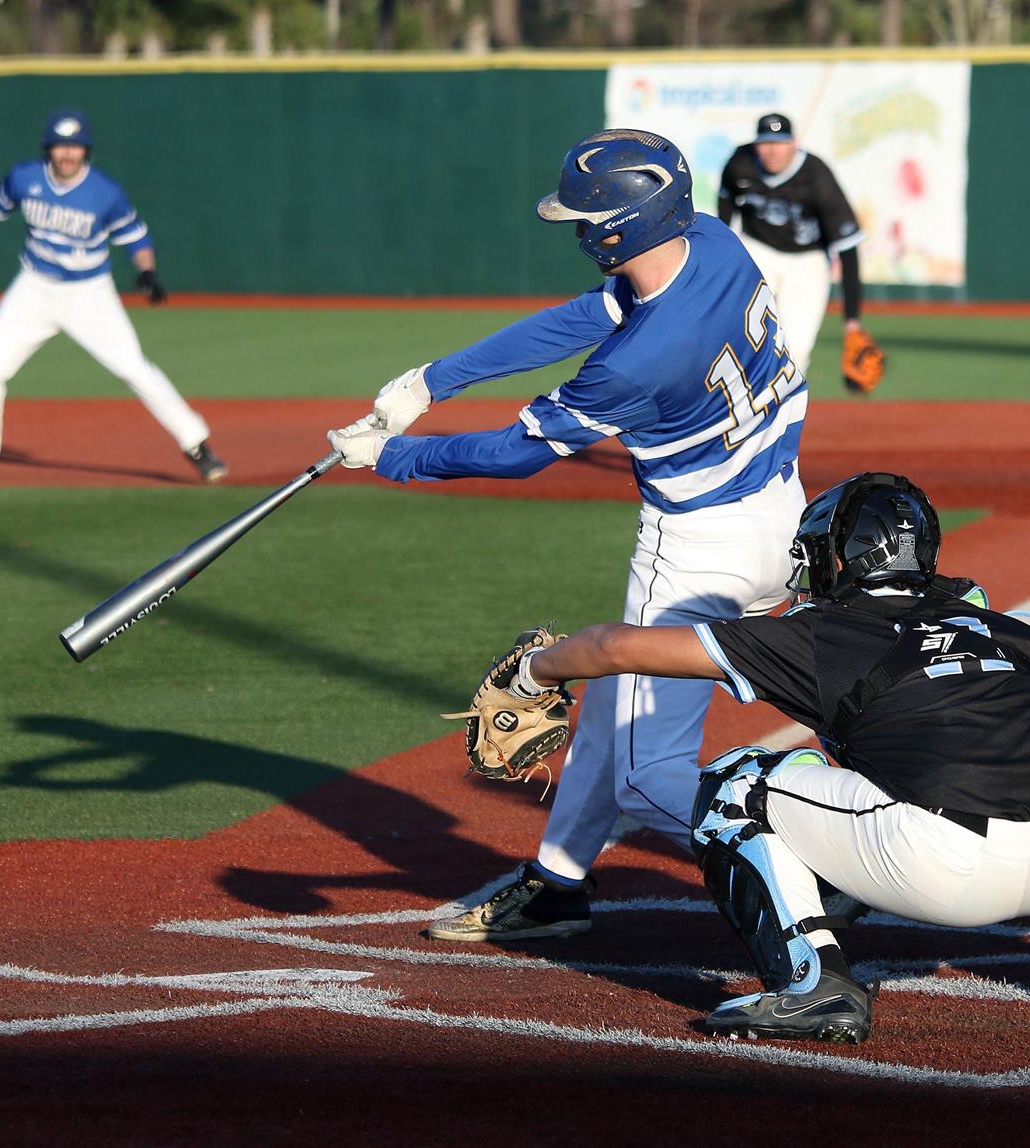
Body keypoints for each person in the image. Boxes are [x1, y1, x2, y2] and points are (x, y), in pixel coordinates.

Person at [462, 472, 1030, 1042]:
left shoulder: (813, 635)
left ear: (840, 559)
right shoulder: (1016, 626)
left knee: (736, 786)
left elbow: (613, 647)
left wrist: (535, 672)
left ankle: (812, 983)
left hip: (949, 869)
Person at [326, 128, 810, 943]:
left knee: (644, 780)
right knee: (612, 714)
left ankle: (815, 854)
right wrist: (435, 381)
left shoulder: (635, 365)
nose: (578, 231)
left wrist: (392, 457)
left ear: (616, 228)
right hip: (784, 523)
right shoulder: (711, 241)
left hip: (696, 557)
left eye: (585, 219)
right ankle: (557, 883)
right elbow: (588, 315)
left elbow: (517, 453)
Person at [0, 109, 226, 489]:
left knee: (133, 367)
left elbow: (137, 239)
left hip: (89, 293)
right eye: (60, 146)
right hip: (34, 287)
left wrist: (147, 272)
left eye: (75, 147)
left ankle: (196, 445)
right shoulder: (25, 178)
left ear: (86, 150)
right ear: (48, 149)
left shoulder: (105, 193)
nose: (68, 154)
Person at [717, 113, 869, 387]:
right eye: (766, 142)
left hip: (806, 260)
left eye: (780, 142)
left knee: (796, 349)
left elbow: (848, 248)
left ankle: (782, 408)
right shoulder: (741, 163)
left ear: (794, 143)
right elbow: (725, 208)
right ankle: (733, 404)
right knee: (738, 335)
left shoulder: (816, 176)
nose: (772, 150)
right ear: (756, 144)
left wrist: (852, 321)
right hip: (758, 249)